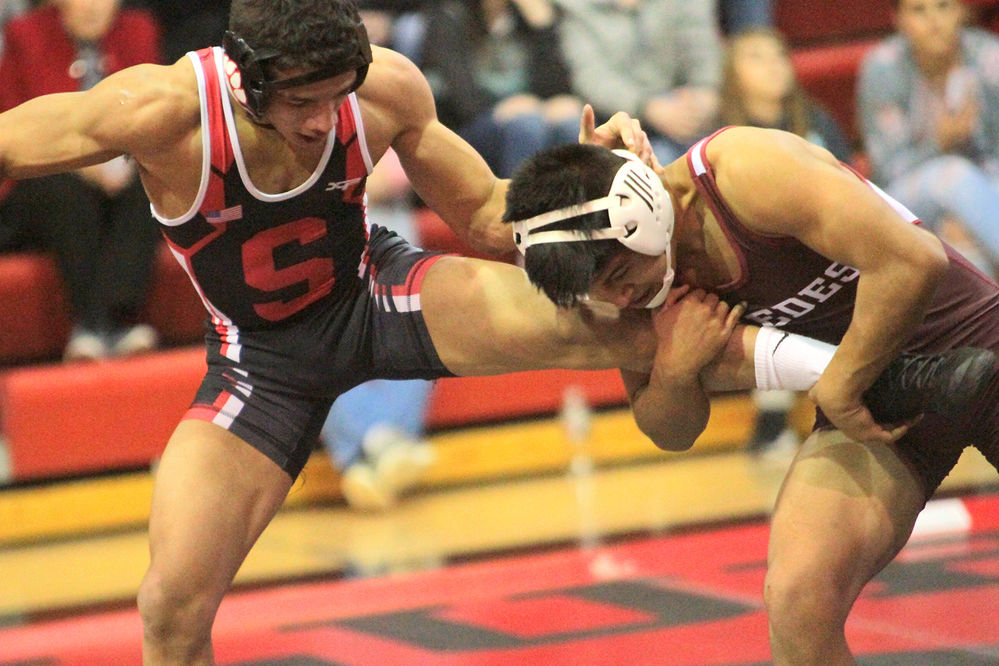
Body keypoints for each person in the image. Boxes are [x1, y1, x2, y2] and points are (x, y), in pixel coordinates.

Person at [0, 2, 984, 661]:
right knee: (170, 606)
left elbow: (486, 215)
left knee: (631, 322)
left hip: (373, 293)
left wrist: (579, 187)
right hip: (260, 361)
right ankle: (890, 379)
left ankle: (879, 377)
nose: (320, 125)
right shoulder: (157, 107)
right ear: (247, 84)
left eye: (332, 100)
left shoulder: (382, 86)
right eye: (300, 105)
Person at [503, 133, 999, 663]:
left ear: (642, 212)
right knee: (797, 599)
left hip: (976, 344)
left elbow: (915, 260)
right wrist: (673, 372)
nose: (621, 299)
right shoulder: (633, 289)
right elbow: (670, 432)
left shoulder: (744, 173)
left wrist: (842, 381)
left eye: (621, 277)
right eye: (601, 291)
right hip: (873, 409)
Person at [0, 0, 164, 360]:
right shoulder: (26, 33)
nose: (92, 7)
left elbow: (152, 114)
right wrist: (80, 159)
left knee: (151, 183)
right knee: (62, 188)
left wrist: (123, 157)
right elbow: (16, 125)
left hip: (122, 169)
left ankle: (122, 318)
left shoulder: (137, 29)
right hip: (44, 173)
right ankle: (89, 323)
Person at [718, 26, 853, 459]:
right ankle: (774, 419)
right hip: (760, 257)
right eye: (756, 56)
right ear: (732, 75)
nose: (774, 63)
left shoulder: (816, 122)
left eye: (779, 54)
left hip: (832, 250)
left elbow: (854, 190)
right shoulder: (722, 138)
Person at [858, 0, 999, 277]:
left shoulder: (988, 55)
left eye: (943, 6)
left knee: (960, 237)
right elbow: (888, 169)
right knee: (953, 174)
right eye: (919, 10)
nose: (934, 21)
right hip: (905, 197)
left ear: (961, 11)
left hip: (984, 183)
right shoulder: (882, 67)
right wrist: (940, 142)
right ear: (898, 20)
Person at [419, 0, 582, 177]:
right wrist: (506, 108)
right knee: (526, 124)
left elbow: (556, 89)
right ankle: (518, 203)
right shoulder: (450, 13)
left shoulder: (527, 16)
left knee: (570, 121)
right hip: (469, 125)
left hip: (529, 113)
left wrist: (543, 28)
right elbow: (462, 98)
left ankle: (571, 203)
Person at [555, 0, 724, 164]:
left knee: (714, 154)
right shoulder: (577, 7)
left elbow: (700, 46)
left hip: (681, 105)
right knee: (660, 157)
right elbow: (591, 76)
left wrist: (704, 92)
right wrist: (646, 107)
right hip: (616, 116)